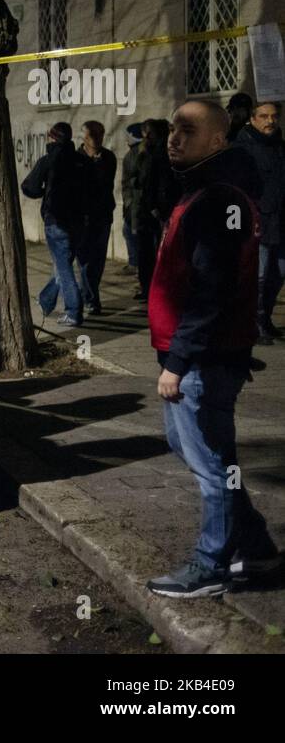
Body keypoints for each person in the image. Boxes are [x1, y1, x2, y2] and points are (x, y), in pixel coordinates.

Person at [146, 100, 280, 597]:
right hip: (192, 354)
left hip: (204, 358)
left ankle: (213, 565)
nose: (173, 137)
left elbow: (211, 291)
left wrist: (179, 361)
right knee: (197, 452)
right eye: (173, 127)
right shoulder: (203, 189)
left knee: (213, 467)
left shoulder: (221, 197)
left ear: (218, 141)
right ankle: (257, 547)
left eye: (188, 129)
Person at [21, 121, 86, 326]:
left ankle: (73, 312)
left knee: (63, 267)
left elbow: (29, 187)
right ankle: (46, 300)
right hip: (78, 221)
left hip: (56, 220)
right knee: (62, 265)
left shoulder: (48, 160)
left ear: (51, 137)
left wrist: (45, 192)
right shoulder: (82, 161)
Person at [231, 100, 284, 344]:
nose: (270, 121)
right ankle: (253, 324)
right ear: (252, 119)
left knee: (278, 274)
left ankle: (265, 318)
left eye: (274, 116)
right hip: (257, 223)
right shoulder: (241, 149)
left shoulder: (279, 146)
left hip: (280, 222)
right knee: (258, 276)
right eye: (264, 116)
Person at [130, 118, 178, 302]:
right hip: (153, 210)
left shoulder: (158, 154)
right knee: (149, 252)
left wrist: (154, 207)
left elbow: (151, 183)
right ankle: (151, 287)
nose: (146, 137)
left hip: (157, 210)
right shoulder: (149, 153)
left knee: (155, 253)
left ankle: (154, 288)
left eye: (149, 133)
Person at [77, 120, 117, 316]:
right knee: (85, 260)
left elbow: (104, 183)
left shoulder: (108, 157)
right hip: (82, 218)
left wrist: (98, 163)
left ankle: (90, 296)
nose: (99, 138)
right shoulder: (75, 158)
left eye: (101, 134)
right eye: (94, 134)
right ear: (84, 136)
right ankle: (91, 299)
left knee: (98, 260)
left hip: (102, 216)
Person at [119, 122, 143, 276]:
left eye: (128, 136)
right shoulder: (137, 153)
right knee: (129, 231)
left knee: (131, 231)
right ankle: (135, 263)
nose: (126, 140)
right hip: (134, 202)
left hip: (136, 203)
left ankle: (136, 264)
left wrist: (128, 201)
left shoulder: (134, 155)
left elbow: (130, 181)